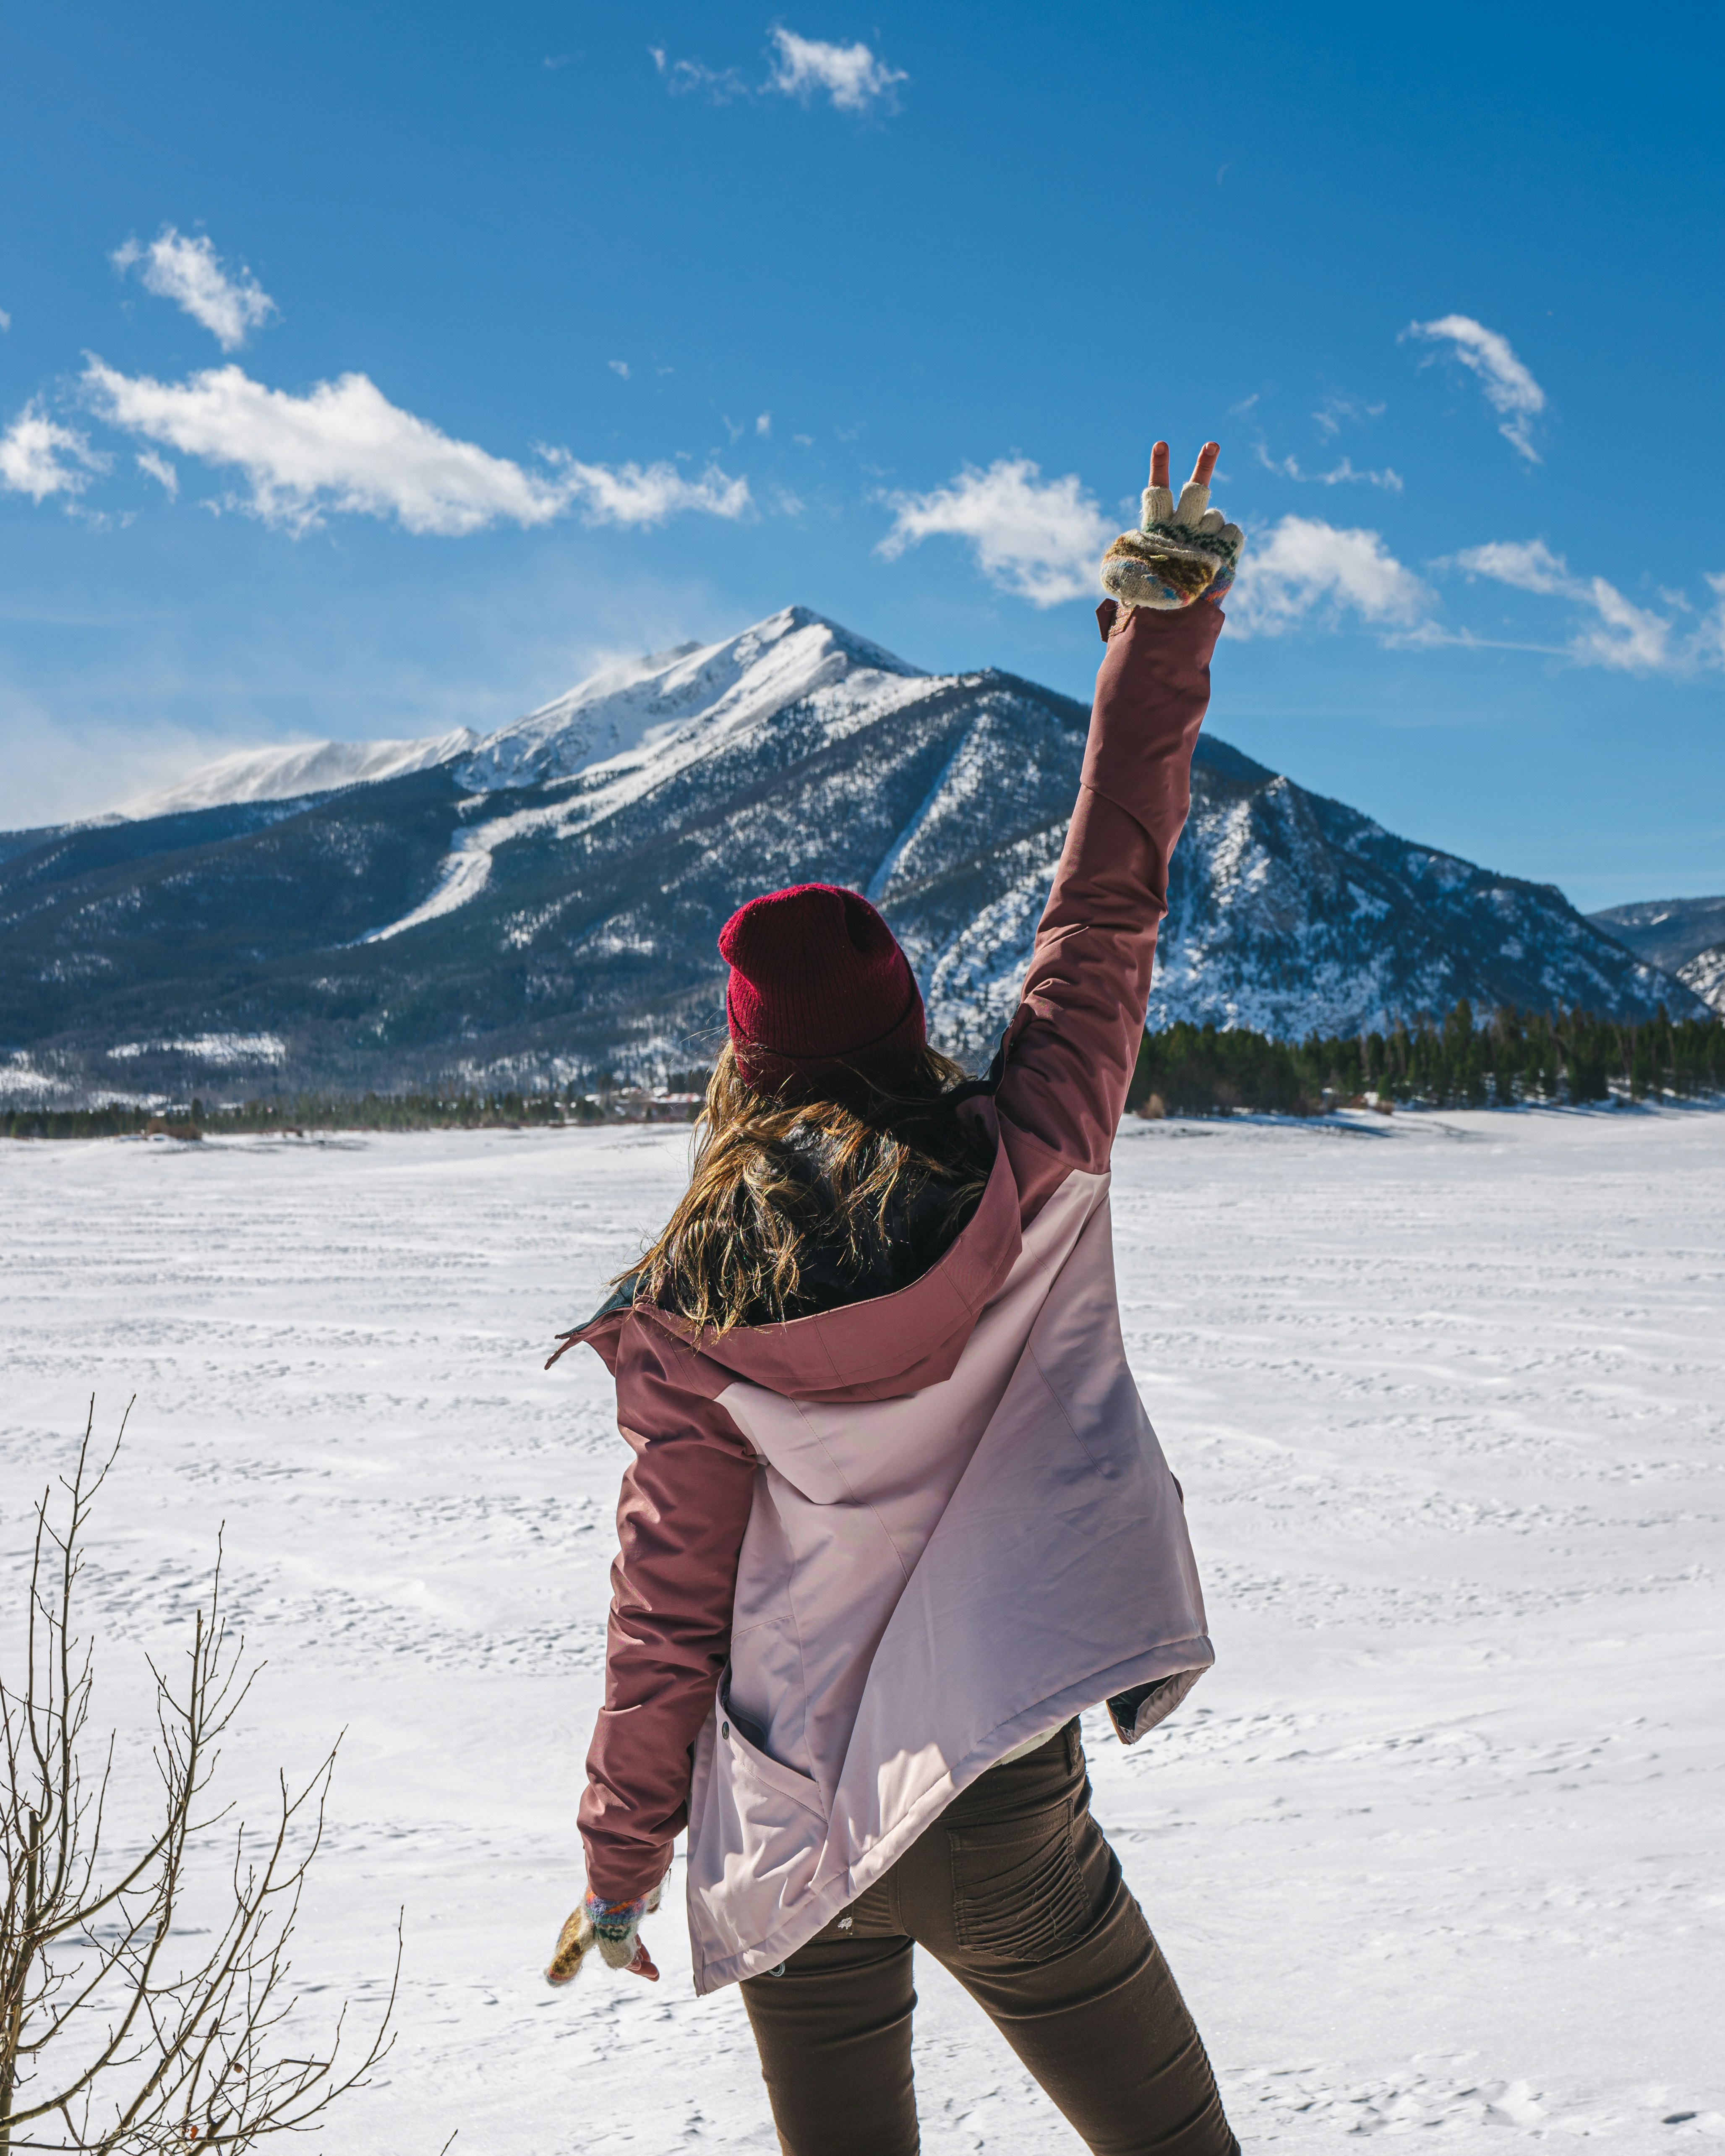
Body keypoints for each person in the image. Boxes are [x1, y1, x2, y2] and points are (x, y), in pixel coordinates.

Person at [545, 440, 1245, 2156]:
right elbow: (1105, 909)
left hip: (789, 1833)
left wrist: (620, 1866)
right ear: (908, 1020)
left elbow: (665, 1618)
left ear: (742, 1060)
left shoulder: (691, 1311)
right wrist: (1157, 631)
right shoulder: (1035, 1157)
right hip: (997, 1798)